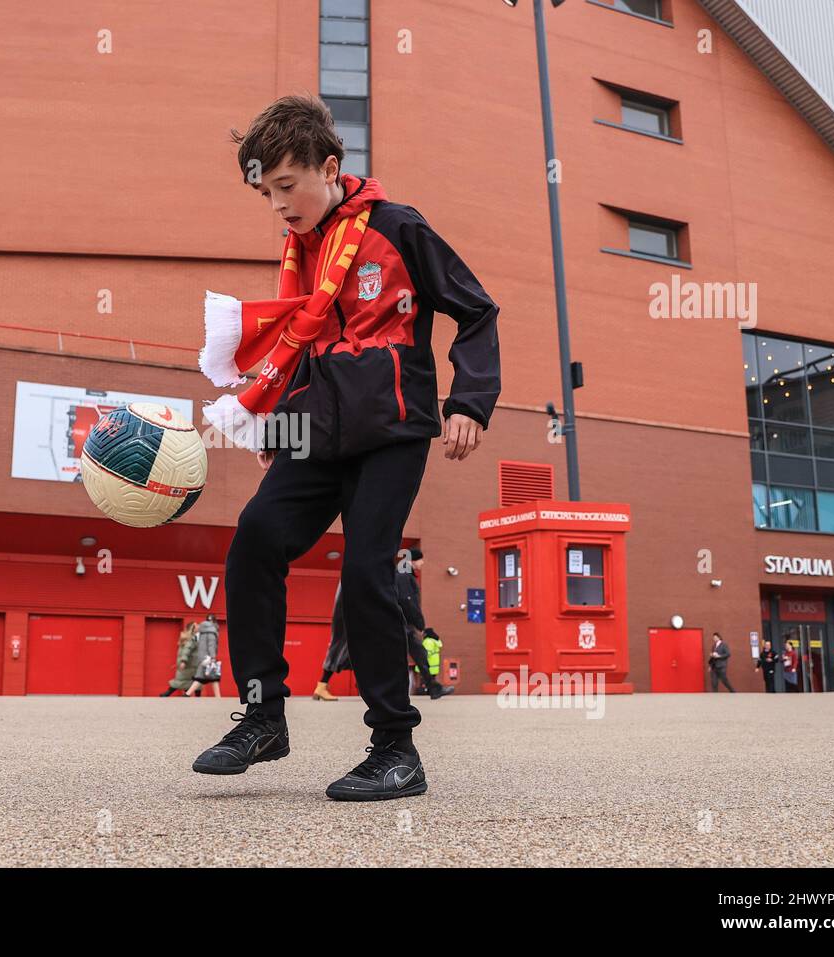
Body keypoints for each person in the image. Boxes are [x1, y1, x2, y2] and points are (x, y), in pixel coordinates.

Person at [191, 95, 500, 801]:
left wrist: (469, 403)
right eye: (266, 192)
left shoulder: (397, 228)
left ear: (329, 168)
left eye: (287, 186)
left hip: (391, 431)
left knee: (366, 570)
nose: (278, 204)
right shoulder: (300, 257)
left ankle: (396, 749)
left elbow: (475, 309)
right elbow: (301, 350)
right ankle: (264, 715)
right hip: (316, 432)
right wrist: (276, 430)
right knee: (256, 536)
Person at [395, 547, 454, 699]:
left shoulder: (403, 574)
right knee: (414, 655)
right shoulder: (404, 576)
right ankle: (433, 688)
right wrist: (419, 623)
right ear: (413, 560)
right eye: (421, 559)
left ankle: (433, 688)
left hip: (402, 623)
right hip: (403, 624)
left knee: (418, 654)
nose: (422, 563)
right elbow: (408, 602)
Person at [313, 580, 351, 701]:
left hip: (347, 610)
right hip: (349, 612)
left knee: (346, 647)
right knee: (341, 646)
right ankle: (322, 686)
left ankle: (322, 686)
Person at [185, 613, 223, 697]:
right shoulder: (211, 631)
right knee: (207, 677)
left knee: (210, 677)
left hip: (202, 657)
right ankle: (187, 694)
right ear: (214, 621)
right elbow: (211, 645)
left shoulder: (202, 631)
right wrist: (213, 657)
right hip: (208, 658)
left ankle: (218, 696)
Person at [160, 622, 200, 697]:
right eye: (196, 625)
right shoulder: (192, 639)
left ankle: (168, 694)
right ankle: (167, 694)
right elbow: (186, 650)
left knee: (189, 681)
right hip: (190, 664)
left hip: (189, 663)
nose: (199, 626)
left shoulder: (187, 638)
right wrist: (183, 661)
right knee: (190, 680)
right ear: (192, 629)